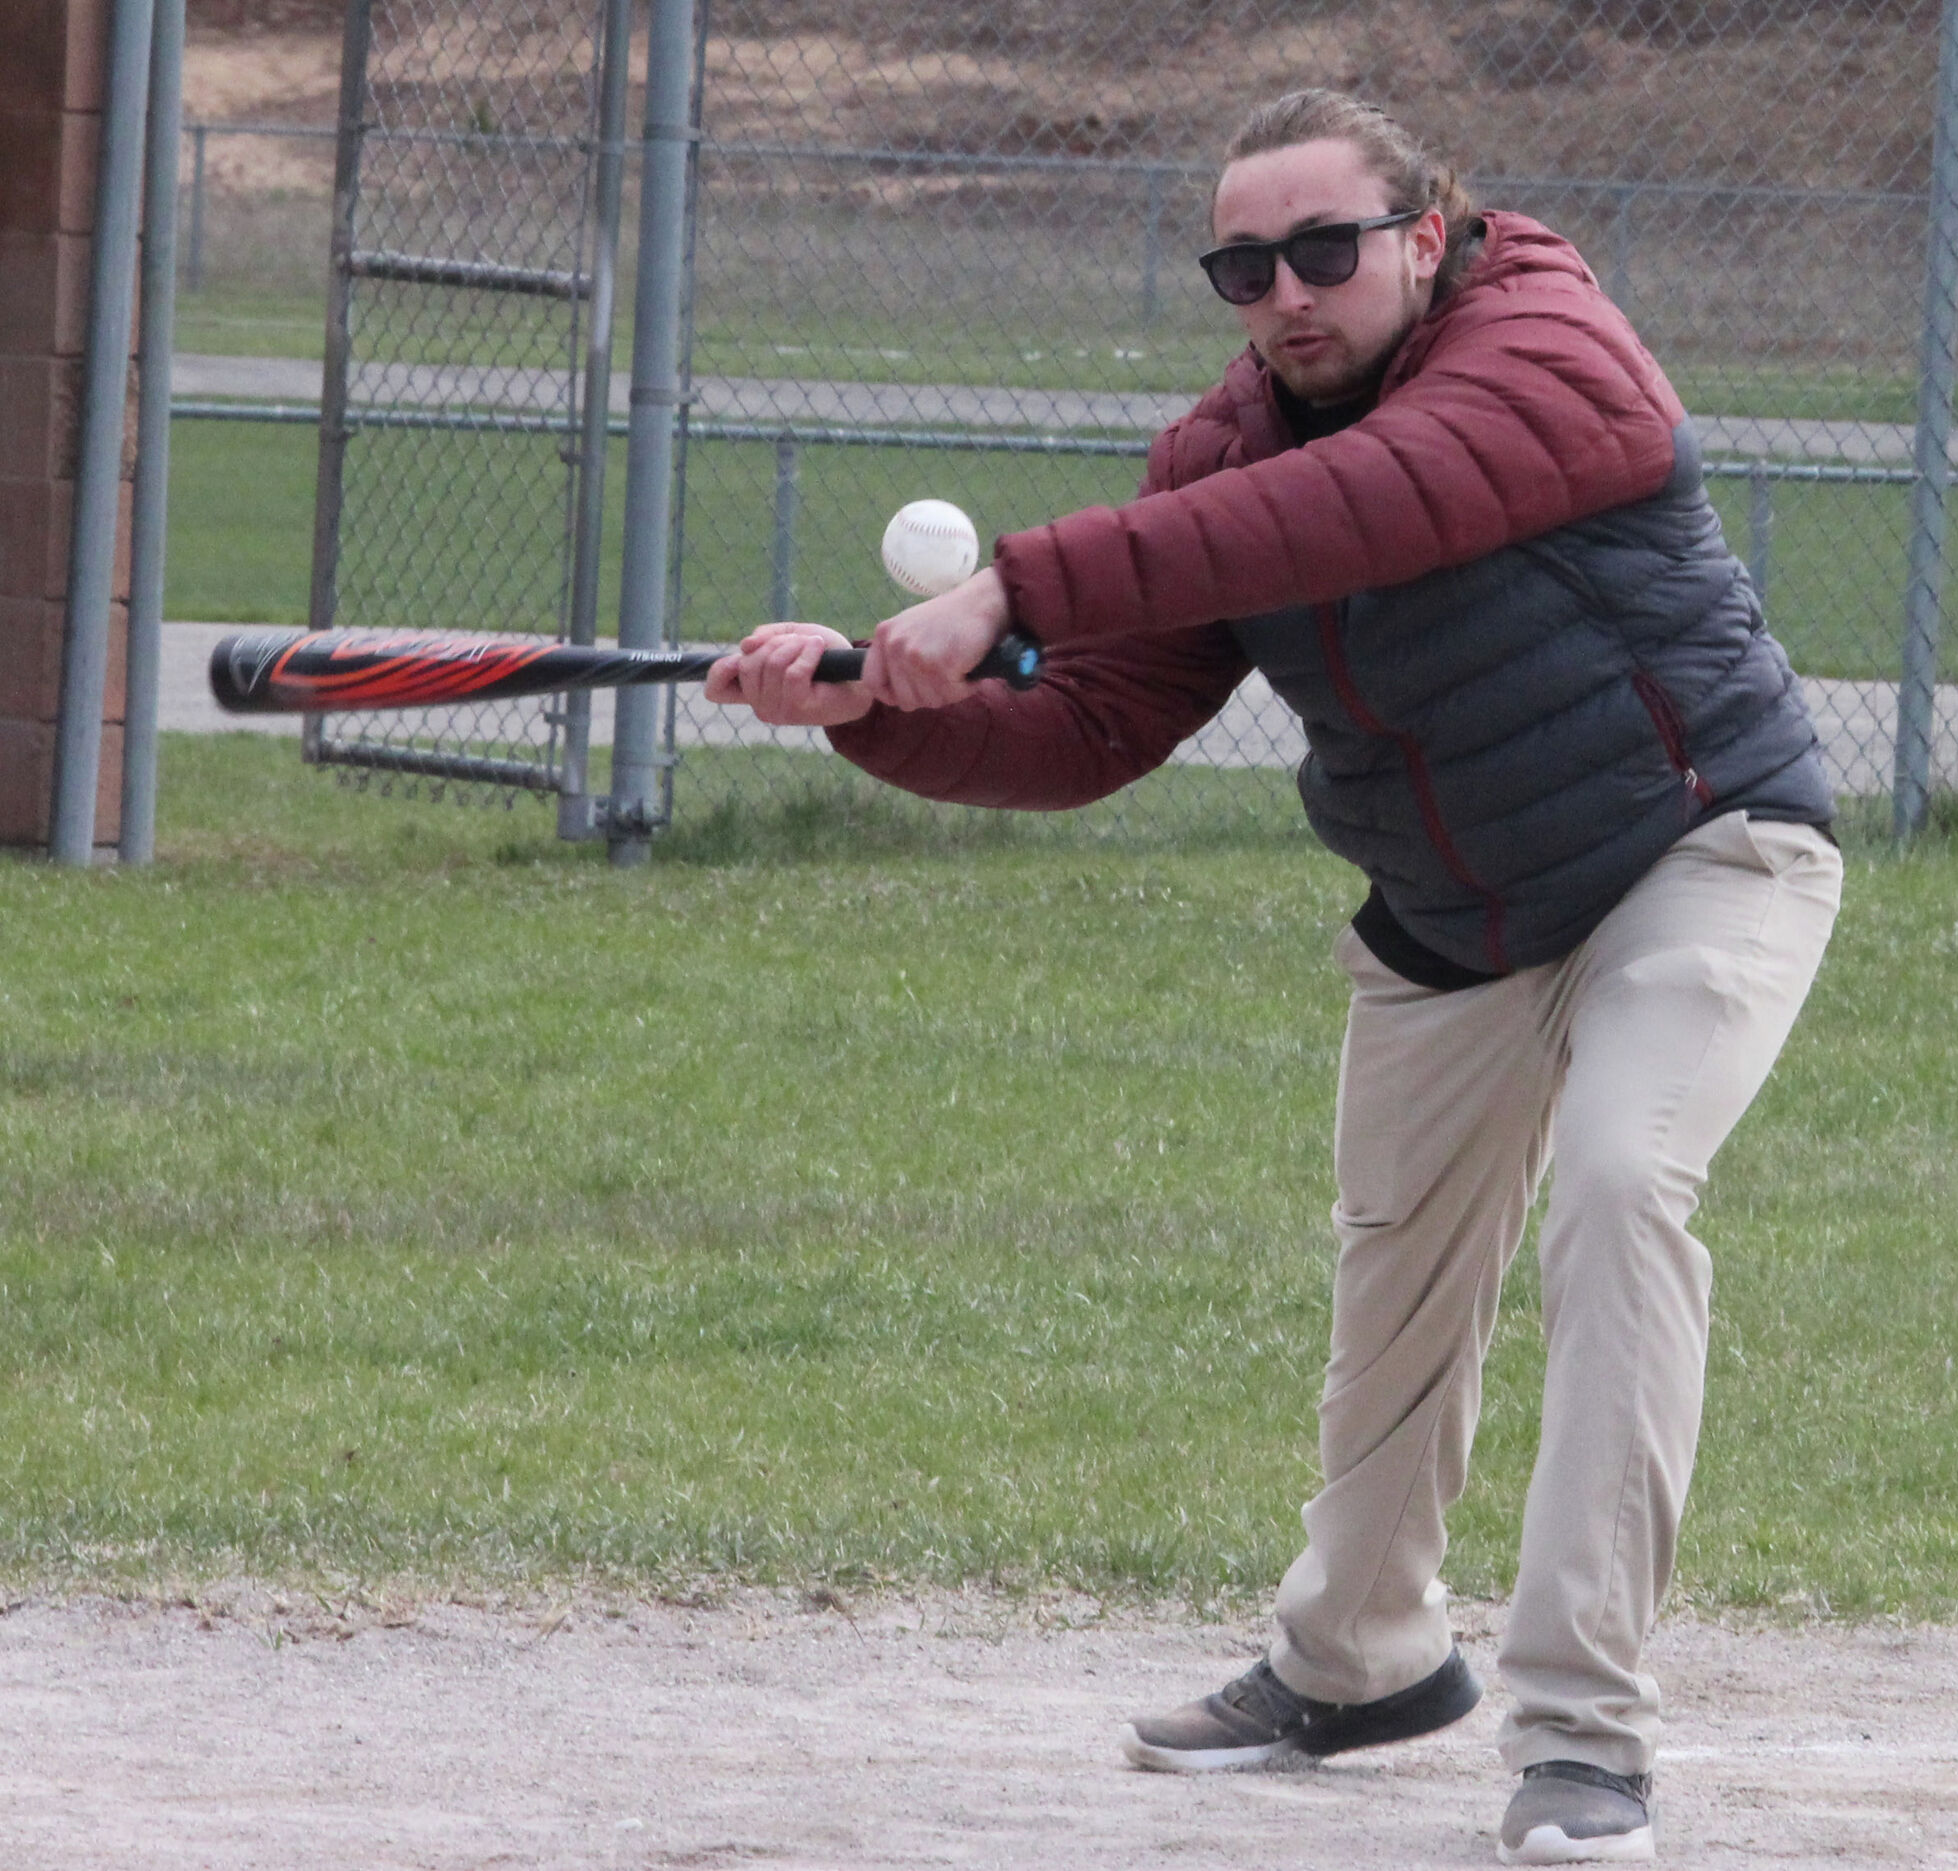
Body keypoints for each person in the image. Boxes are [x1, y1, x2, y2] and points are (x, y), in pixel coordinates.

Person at [708, 89, 1841, 1868]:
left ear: (1425, 232)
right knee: (1395, 1293)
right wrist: (873, 708)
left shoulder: (1550, 351)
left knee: (1623, 1192)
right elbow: (1095, 725)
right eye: (1246, 267)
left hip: (1693, 854)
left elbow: (1355, 510)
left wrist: (1013, 583)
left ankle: (1583, 1734)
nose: (1286, 294)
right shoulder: (1224, 459)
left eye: (1324, 250)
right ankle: (1359, 1661)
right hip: (1452, 916)